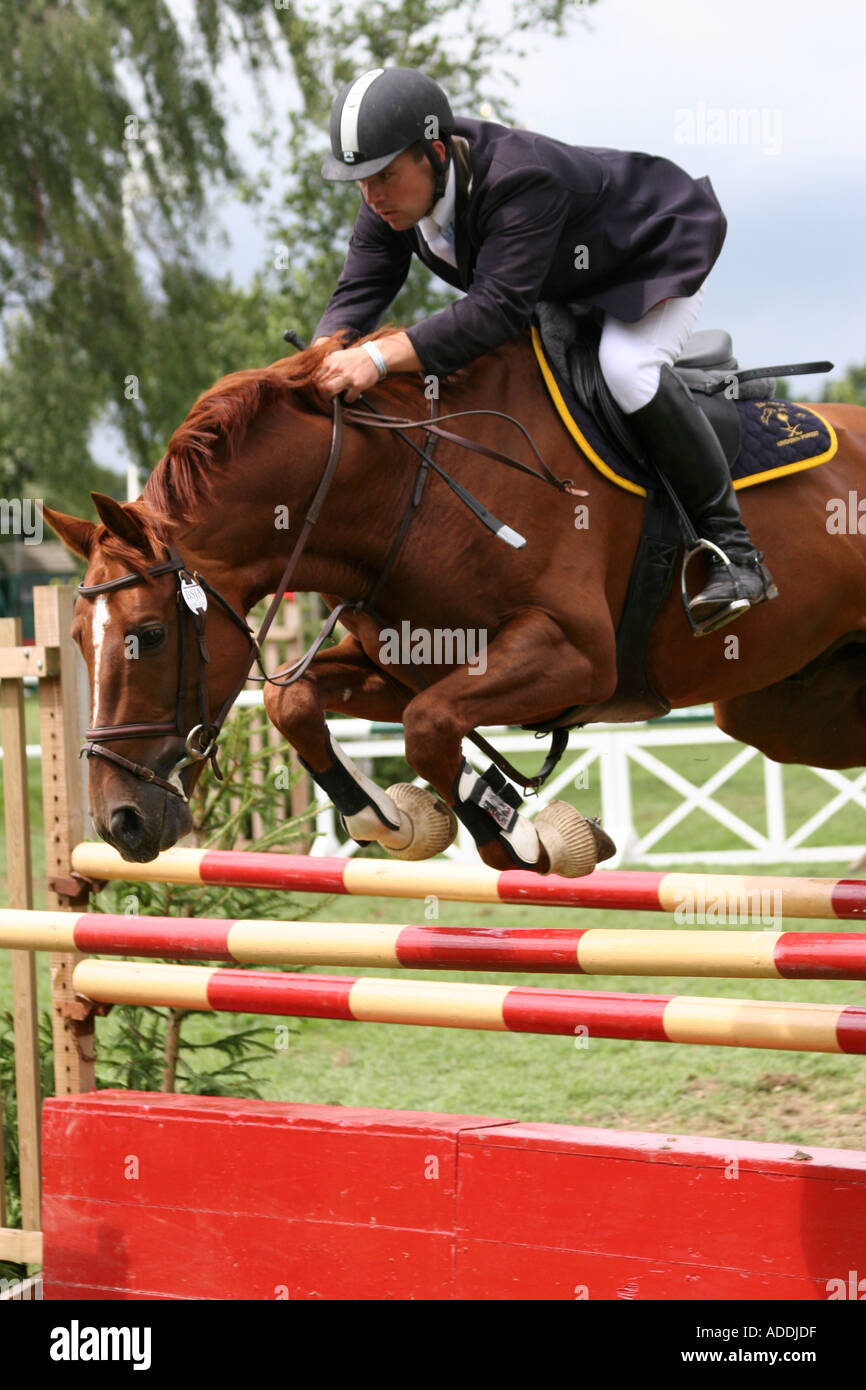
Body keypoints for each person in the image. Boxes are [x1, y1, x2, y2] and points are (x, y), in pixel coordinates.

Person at [312, 66, 776, 630]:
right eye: (361, 180)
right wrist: (318, 361)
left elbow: (496, 309)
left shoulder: (518, 179)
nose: (372, 194)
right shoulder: (390, 198)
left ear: (433, 152)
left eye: (383, 175)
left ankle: (735, 551)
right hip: (563, 282)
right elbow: (359, 291)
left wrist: (377, 357)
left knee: (626, 370)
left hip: (651, 251)